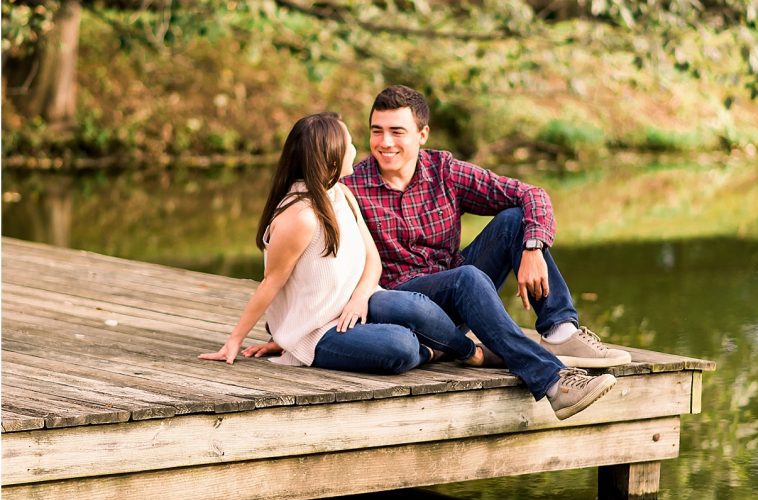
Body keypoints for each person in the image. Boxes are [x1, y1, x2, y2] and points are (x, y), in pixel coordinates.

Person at [341, 86, 632, 420]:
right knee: (465, 278)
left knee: (513, 220)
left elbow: (531, 194)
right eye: (377, 131)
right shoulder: (351, 187)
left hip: (455, 297)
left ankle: (560, 332)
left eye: (397, 132)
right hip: (402, 306)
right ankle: (553, 383)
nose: (385, 142)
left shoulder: (443, 171)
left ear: (422, 134)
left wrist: (533, 247)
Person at [199, 112, 490, 375]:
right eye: (349, 143)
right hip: (318, 332)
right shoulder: (301, 217)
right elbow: (271, 283)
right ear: (332, 158)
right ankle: (433, 351)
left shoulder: (341, 194)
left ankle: (469, 353)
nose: (355, 149)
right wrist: (236, 340)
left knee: (414, 306)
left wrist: (360, 297)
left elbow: (372, 259)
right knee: (401, 345)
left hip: (354, 308)